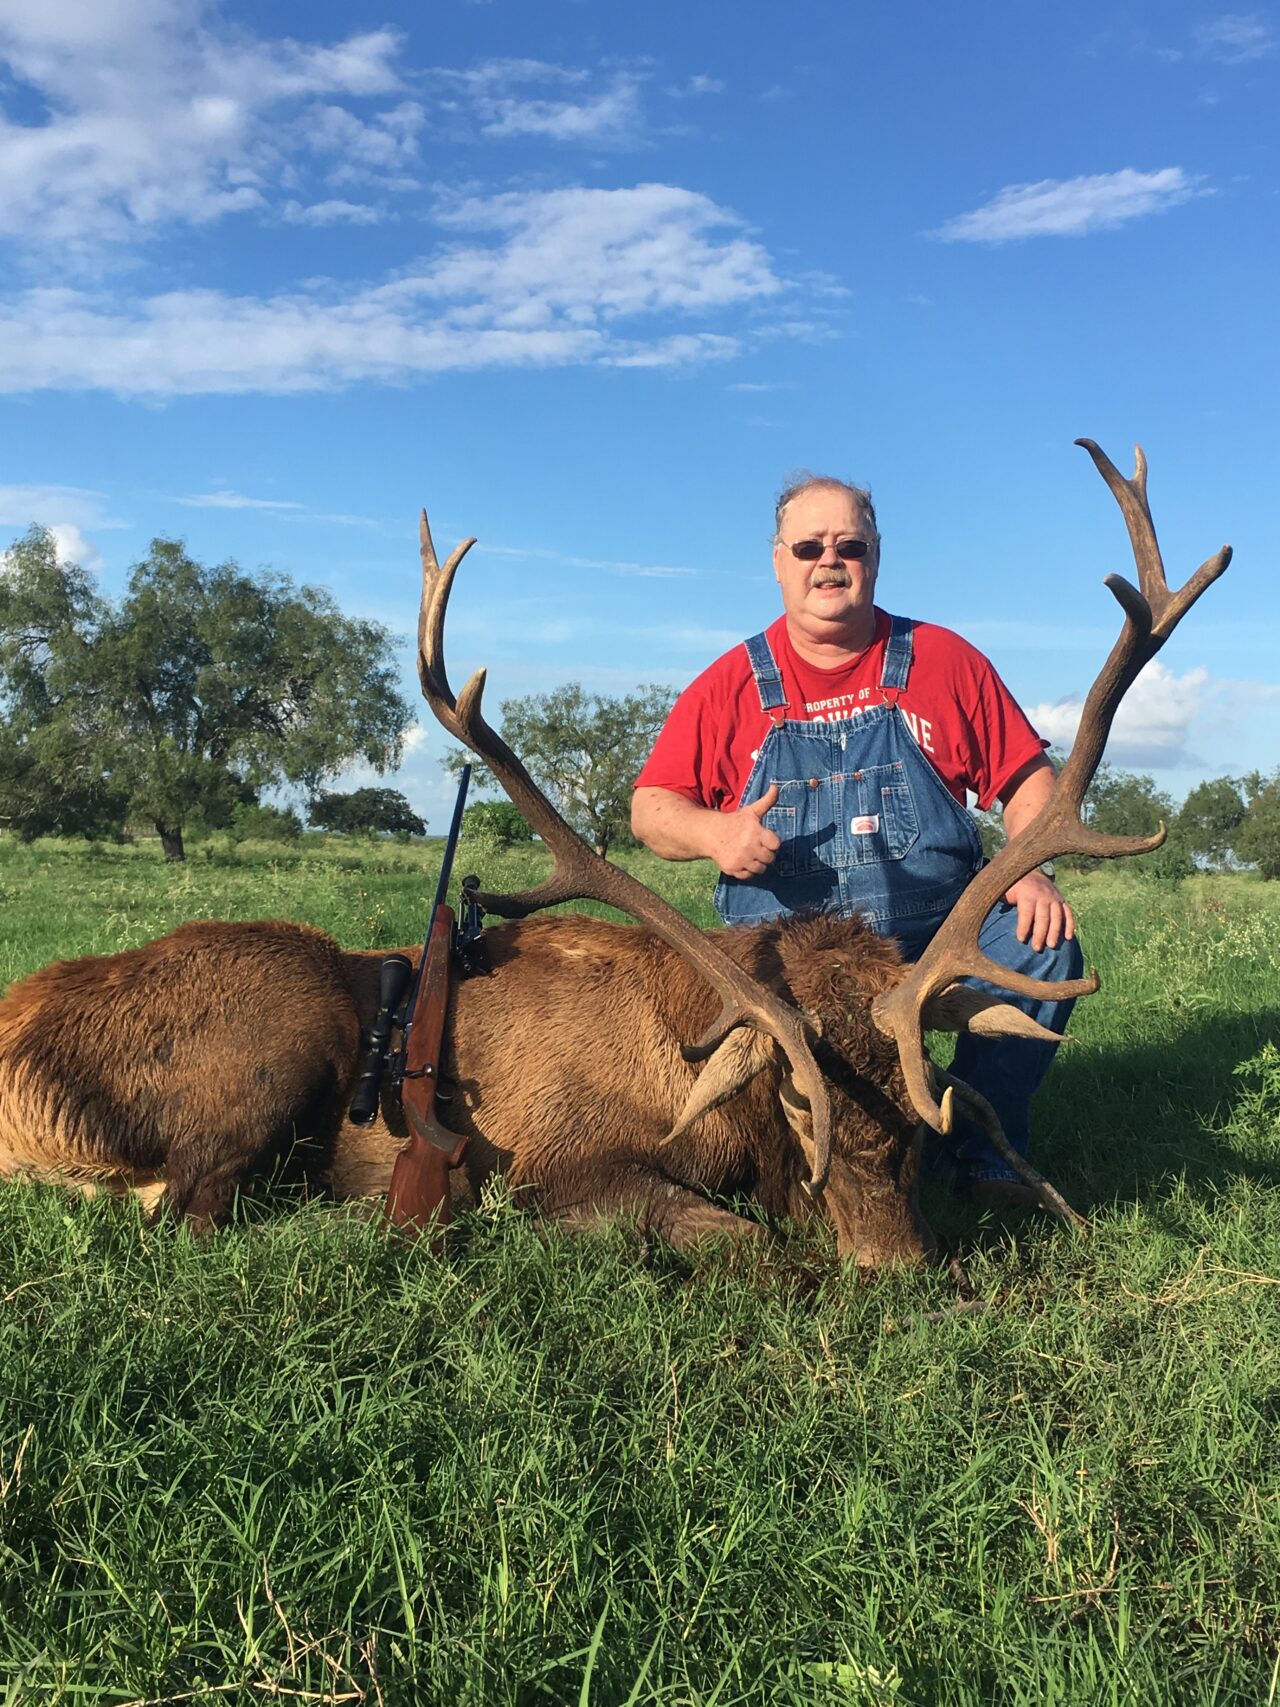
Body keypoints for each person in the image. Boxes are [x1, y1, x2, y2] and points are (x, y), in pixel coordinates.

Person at [631, 472, 1085, 1208]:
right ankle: (799, 1159)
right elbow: (650, 809)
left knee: (1040, 939)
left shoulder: (944, 660)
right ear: (778, 560)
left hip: (930, 940)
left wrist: (1027, 869)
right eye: (808, 546)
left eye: (849, 545)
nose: (828, 561)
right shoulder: (730, 683)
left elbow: (1030, 780)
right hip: (790, 955)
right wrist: (714, 830)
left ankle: (979, 1153)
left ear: (876, 557)